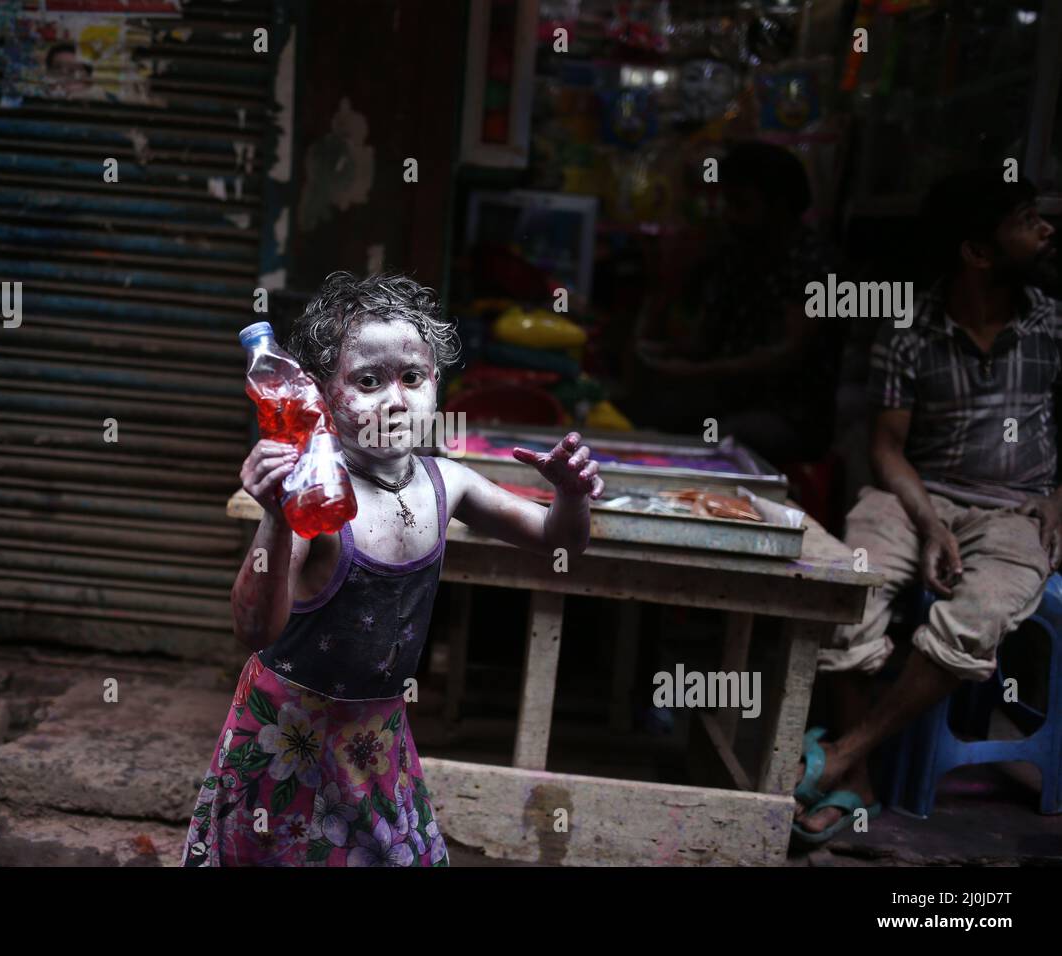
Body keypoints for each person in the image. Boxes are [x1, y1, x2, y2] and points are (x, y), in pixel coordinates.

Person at [178, 272, 605, 866]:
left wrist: (572, 495)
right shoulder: (315, 498)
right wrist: (275, 520)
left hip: (376, 739)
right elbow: (253, 630)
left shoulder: (447, 482)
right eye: (368, 381)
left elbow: (557, 540)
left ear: (437, 386)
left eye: (413, 377)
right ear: (321, 394)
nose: (396, 399)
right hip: (287, 738)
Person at [793, 169, 1061, 842]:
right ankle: (855, 781)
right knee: (850, 584)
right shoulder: (911, 326)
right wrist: (929, 522)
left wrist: (1061, 497)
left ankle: (847, 759)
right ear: (977, 252)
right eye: (1028, 220)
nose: (1047, 229)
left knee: (975, 618)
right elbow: (888, 447)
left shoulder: (1055, 323)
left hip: (1015, 510)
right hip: (915, 491)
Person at [635, 140, 840, 463]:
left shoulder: (812, 264)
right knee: (648, 406)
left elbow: (785, 354)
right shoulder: (736, 254)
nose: (730, 216)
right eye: (727, 204)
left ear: (779, 206)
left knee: (727, 435)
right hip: (725, 396)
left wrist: (697, 373)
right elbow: (703, 341)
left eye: (741, 205)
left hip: (787, 413)